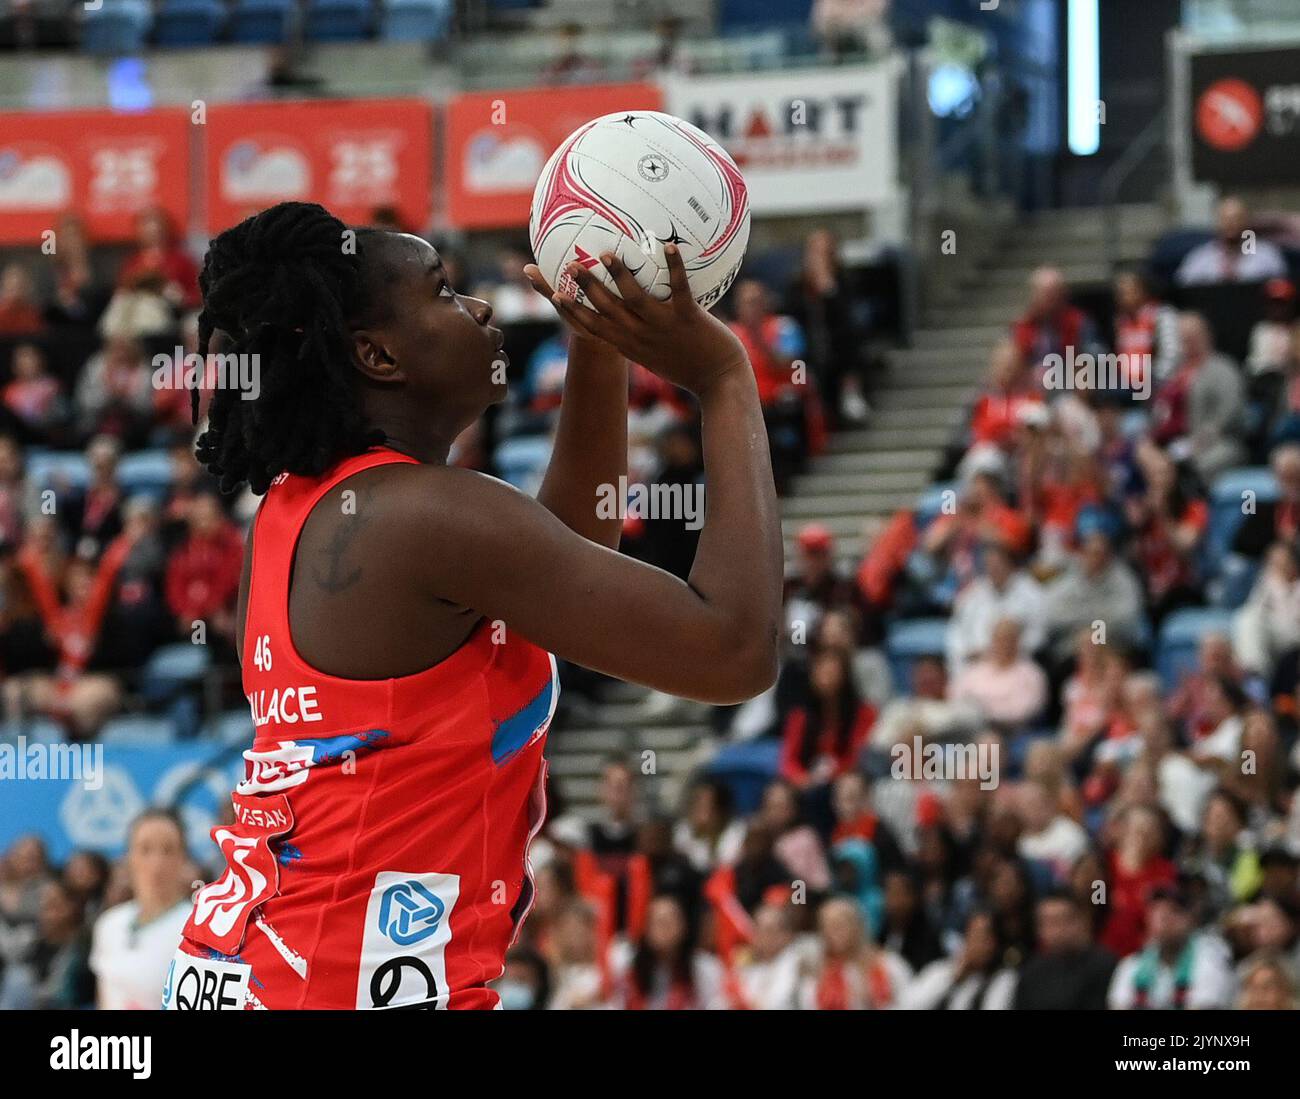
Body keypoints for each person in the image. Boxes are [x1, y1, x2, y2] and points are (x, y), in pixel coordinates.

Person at [171, 201, 781, 1010]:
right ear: (377, 354)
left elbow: (562, 569)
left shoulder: (310, 509)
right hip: (336, 983)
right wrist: (724, 379)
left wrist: (596, 345)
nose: (482, 305)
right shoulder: (427, 516)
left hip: (260, 965)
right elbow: (735, 650)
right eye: (444, 290)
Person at [92, 810, 193, 1010]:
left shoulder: (196, 926)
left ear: (183, 858)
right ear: (129, 857)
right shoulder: (109, 923)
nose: (157, 863)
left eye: (168, 850)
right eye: (145, 849)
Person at [1108, 880, 1234, 1009]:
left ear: (1192, 919)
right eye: (1157, 910)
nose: (1164, 918)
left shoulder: (1211, 959)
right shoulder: (1131, 965)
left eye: (1174, 910)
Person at [1013, 889, 1117, 1010]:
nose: (1055, 930)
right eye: (1047, 922)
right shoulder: (1031, 972)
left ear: (1081, 921)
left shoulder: (1104, 966)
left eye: (1061, 920)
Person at [901, 908, 1015, 1009]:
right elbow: (908, 1005)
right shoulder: (945, 970)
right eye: (974, 935)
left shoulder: (1004, 979)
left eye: (986, 938)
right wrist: (952, 978)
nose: (977, 944)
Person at [1174, 196, 1288, 287]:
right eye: (1225, 219)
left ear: (1247, 221)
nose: (1231, 224)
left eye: (1237, 218)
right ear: (1217, 222)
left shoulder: (1267, 256)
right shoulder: (1199, 259)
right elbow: (1183, 290)